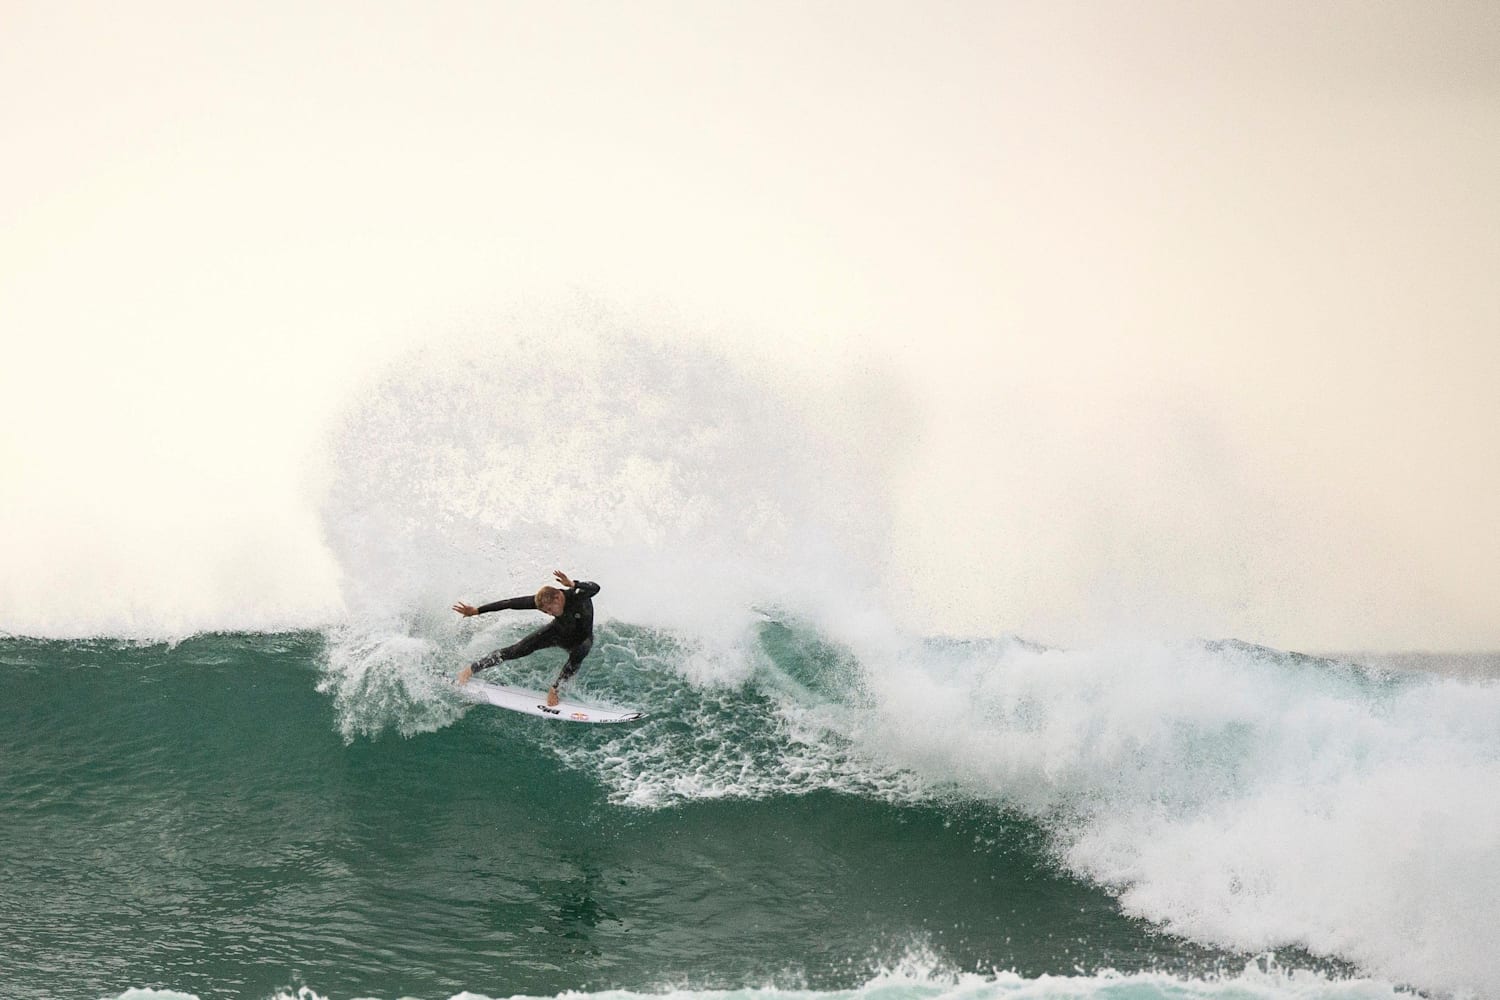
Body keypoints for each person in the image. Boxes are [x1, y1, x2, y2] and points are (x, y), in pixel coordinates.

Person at [453, 570, 600, 706]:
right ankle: (471, 669)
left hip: (582, 638)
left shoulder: (577, 595)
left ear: (558, 598)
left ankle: (555, 689)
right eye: (545, 611)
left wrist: (574, 584)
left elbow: (595, 587)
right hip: (558, 632)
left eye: (549, 609)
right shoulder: (543, 601)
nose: (548, 613)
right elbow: (509, 603)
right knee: (517, 650)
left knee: (579, 652)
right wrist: (477, 611)